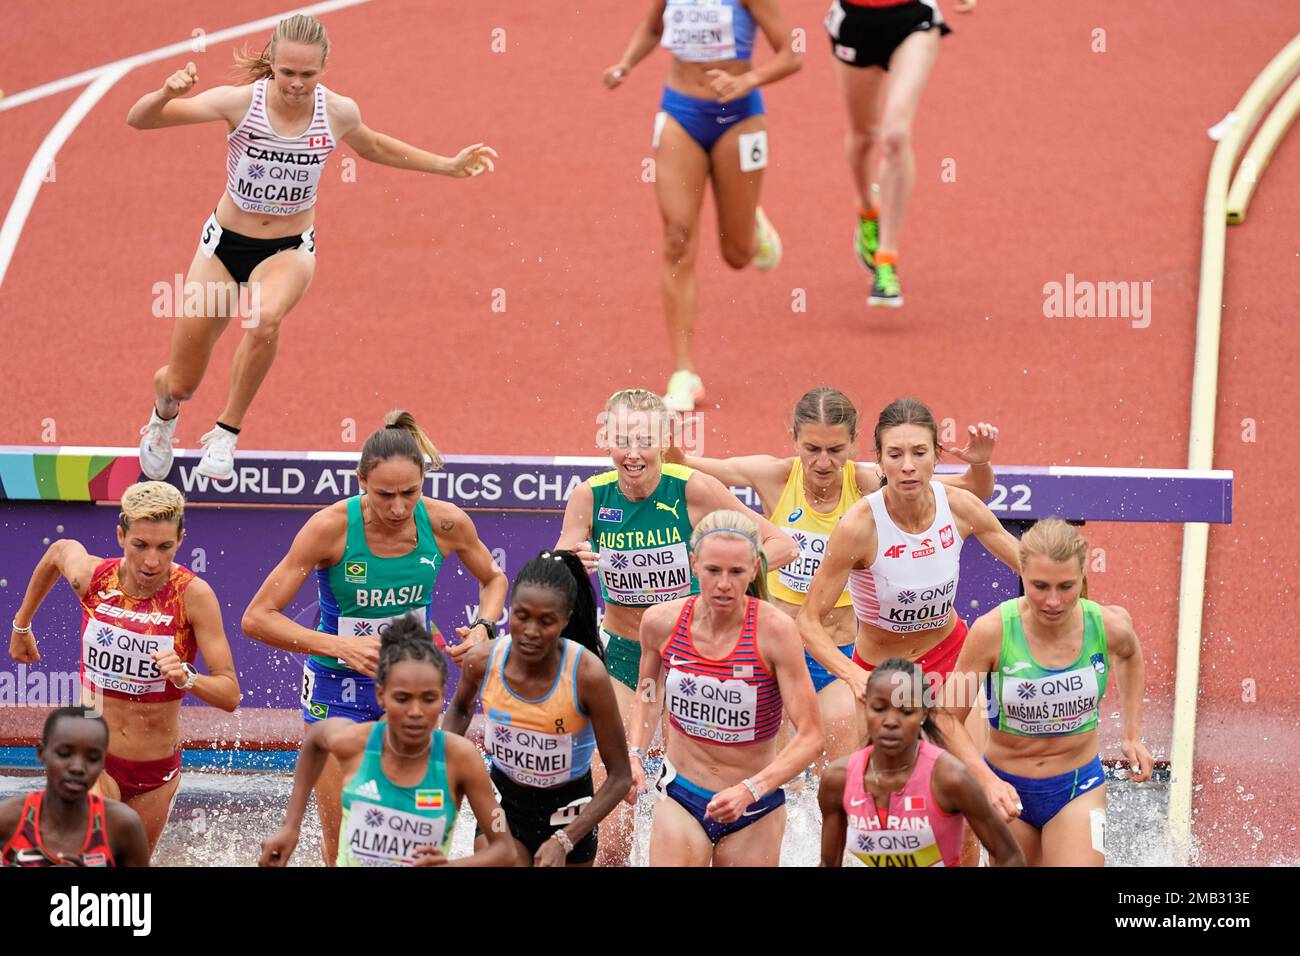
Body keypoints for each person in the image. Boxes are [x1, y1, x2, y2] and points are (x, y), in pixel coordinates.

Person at [129, 13, 498, 479]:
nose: (297, 84)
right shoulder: (241, 103)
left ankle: (226, 433)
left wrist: (447, 165)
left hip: (287, 248)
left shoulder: (337, 112)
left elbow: (374, 146)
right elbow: (139, 120)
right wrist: (167, 93)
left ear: (323, 69)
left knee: (265, 318)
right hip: (223, 248)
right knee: (181, 382)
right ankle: (162, 418)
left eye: (308, 74)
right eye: (287, 73)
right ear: (272, 63)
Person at [670, 385, 997, 764]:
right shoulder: (774, 475)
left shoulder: (869, 483)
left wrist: (980, 462)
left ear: (854, 445)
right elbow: (685, 464)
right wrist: (667, 439)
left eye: (835, 451)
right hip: (774, 653)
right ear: (794, 440)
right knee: (776, 772)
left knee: (836, 771)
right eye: (812, 449)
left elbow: (973, 491)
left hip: (836, 654)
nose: (823, 462)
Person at [242, 410, 507, 865]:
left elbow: (494, 579)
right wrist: (338, 645)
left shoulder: (445, 524)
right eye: (385, 494)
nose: (399, 508)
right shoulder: (331, 528)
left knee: (402, 832)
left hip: (411, 694)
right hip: (337, 689)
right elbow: (257, 618)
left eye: (410, 493)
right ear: (361, 479)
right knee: (342, 839)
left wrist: (484, 624)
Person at [556, 387, 796, 863]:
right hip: (625, 658)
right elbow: (558, 568)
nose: (632, 452)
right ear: (607, 440)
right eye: (622, 439)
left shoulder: (693, 489)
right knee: (614, 805)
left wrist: (724, 577)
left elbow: (779, 542)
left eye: (644, 440)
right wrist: (570, 562)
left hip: (699, 657)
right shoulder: (590, 496)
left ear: (665, 440)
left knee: (711, 791)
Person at [9, 482, 241, 857]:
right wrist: (22, 626)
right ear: (121, 536)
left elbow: (230, 694)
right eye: (141, 545)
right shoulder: (95, 578)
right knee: (86, 854)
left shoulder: (193, 596)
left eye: (164, 547)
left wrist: (188, 676)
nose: (152, 561)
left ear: (181, 539)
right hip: (93, 756)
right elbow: (58, 552)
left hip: (156, 773)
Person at [603, 1, 803, 411]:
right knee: (677, 238)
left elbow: (790, 54)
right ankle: (683, 371)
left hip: (740, 117)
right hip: (680, 112)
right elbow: (652, 29)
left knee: (737, 254)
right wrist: (625, 65)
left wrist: (747, 80)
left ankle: (751, 228)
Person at [936, 519, 1153, 866]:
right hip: (1007, 789)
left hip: (1077, 786)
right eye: (1039, 586)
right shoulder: (993, 631)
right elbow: (946, 719)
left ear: (1083, 574)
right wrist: (986, 782)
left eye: (1066, 586)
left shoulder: (1108, 625)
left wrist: (1133, 735)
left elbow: (1130, 654)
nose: (1053, 601)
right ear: (1021, 573)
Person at [627, 510, 823, 866]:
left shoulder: (775, 632)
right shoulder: (661, 622)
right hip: (681, 795)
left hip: (754, 806)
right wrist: (635, 754)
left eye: (736, 573)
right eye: (713, 570)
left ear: (754, 570)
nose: (723, 584)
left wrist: (751, 790)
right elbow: (648, 694)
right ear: (694, 564)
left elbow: (811, 737)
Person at [260, 616, 513, 867]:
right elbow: (316, 739)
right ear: (382, 696)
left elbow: (505, 849)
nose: (415, 712)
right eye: (402, 698)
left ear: (442, 696)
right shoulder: (355, 742)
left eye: (428, 699)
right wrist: (290, 827)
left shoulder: (460, 758)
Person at [443, 551, 632, 867]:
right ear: (510, 610)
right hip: (504, 807)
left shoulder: (587, 675)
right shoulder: (482, 660)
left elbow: (620, 778)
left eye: (546, 622)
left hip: (570, 814)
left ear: (566, 619)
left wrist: (564, 840)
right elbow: (460, 710)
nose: (530, 631)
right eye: (521, 616)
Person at [823, 0, 976, 307]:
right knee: (863, 135)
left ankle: (886, 259)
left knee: (894, 135)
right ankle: (868, 210)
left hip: (912, 19)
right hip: (855, 22)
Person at [818, 658, 1022, 866]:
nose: (890, 722)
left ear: (924, 715)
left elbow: (1011, 857)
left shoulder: (950, 778)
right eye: (879, 709)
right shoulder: (838, 779)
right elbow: (828, 864)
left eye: (906, 712)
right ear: (865, 709)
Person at [0, 707, 150, 867]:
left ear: (103, 763)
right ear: (42, 753)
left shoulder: (123, 825)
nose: (77, 767)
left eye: (92, 758)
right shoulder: (8, 819)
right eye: (64, 754)